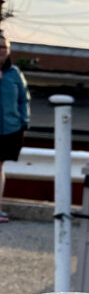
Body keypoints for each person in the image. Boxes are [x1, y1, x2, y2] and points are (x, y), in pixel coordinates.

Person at [0, 33, 30, 222]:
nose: (1, 51)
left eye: (4, 47)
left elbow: (23, 99)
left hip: (9, 128)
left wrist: (23, 122)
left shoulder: (15, 73)